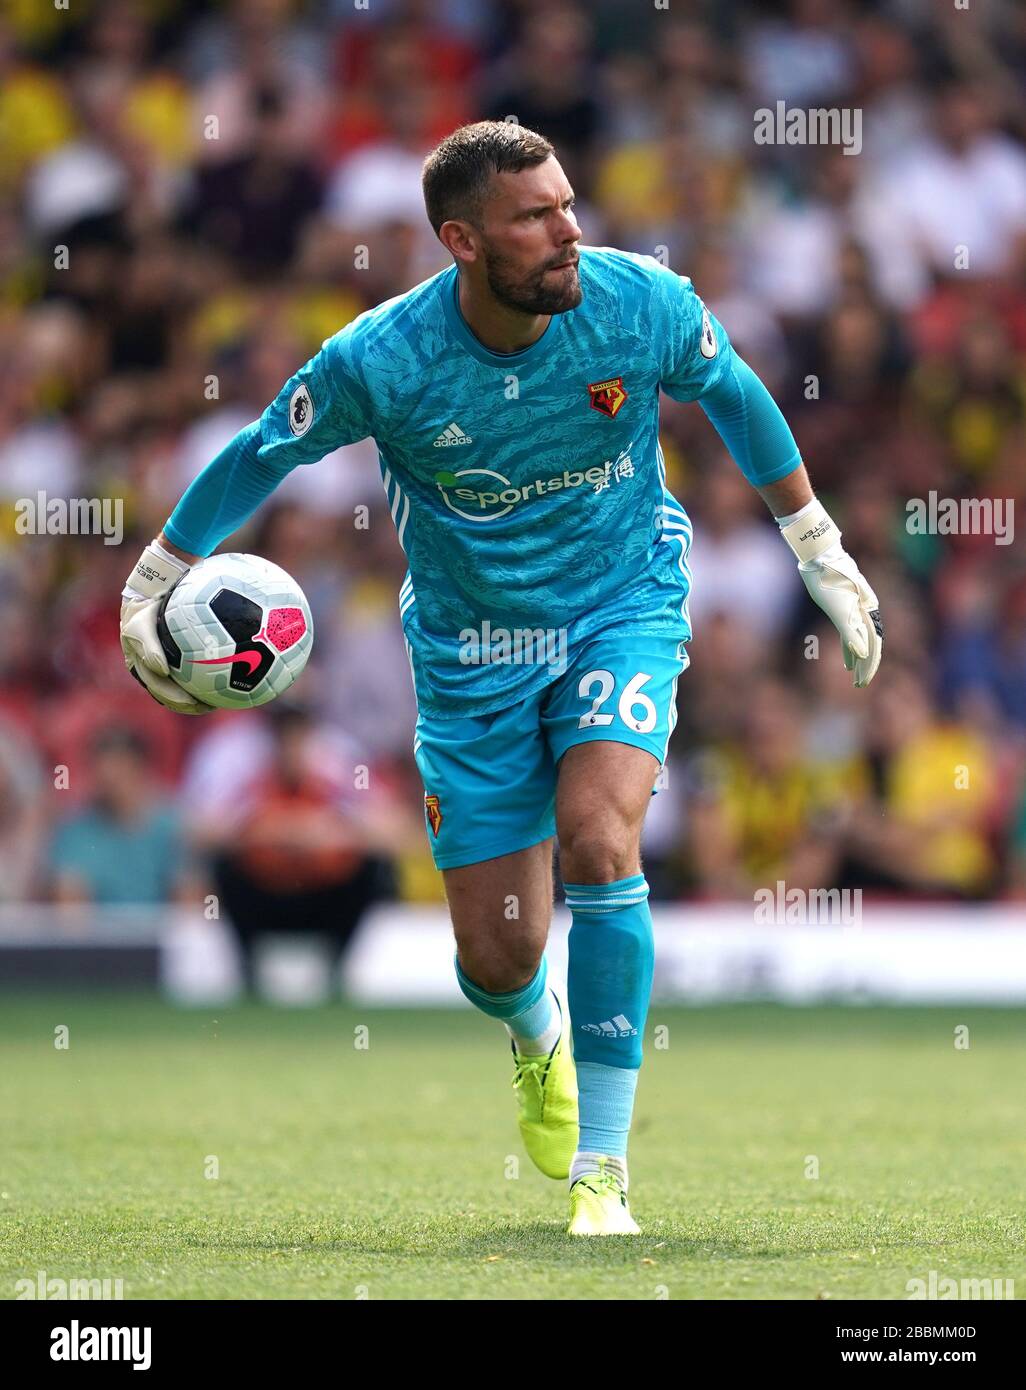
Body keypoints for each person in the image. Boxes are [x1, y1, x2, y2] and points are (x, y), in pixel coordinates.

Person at [119, 121, 883, 1235]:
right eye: (535, 218)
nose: (569, 230)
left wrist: (816, 544)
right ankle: (536, 1031)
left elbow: (738, 393)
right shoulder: (383, 360)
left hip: (621, 604)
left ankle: (604, 1172)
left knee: (600, 842)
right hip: (472, 652)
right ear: (462, 241)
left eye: (568, 204)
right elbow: (260, 451)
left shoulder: (637, 302)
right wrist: (155, 572)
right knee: (495, 952)